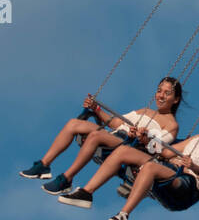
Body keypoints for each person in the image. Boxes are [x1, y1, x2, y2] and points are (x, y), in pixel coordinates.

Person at [56, 105, 199, 220]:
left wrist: (193, 166)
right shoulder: (198, 138)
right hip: (169, 168)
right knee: (123, 151)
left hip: (187, 183)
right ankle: (86, 193)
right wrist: (147, 142)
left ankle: (123, 215)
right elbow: (167, 154)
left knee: (150, 167)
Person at [18, 78, 182, 195]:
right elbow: (116, 123)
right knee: (73, 124)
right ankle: (44, 165)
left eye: (167, 93)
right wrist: (96, 109)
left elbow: (160, 149)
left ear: (175, 100)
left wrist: (144, 138)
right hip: (116, 134)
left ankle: (67, 178)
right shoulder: (144, 111)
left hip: (129, 145)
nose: (160, 96)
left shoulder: (171, 125)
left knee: (95, 136)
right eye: (159, 91)